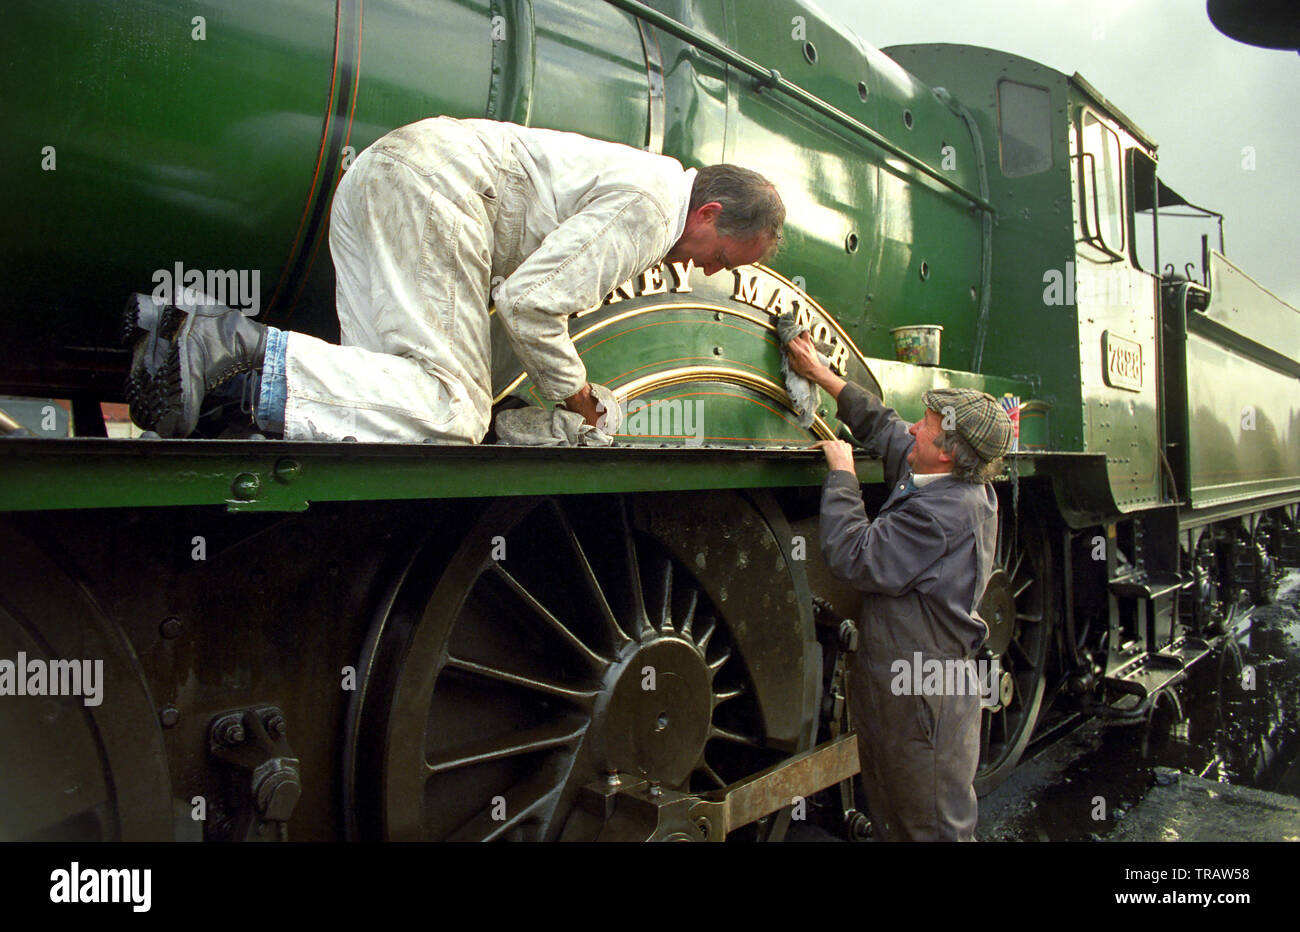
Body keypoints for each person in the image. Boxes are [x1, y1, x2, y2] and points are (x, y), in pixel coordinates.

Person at [125, 117, 784, 441]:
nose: (705, 270)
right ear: (709, 212)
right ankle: (235, 347)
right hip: (439, 193)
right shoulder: (651, 206)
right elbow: (528, 305)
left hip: (383, 175)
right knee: (453, 414)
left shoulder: (643, 180)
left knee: (392, 398)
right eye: (721, 257)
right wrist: (583, 404)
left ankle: (199, 356)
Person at [785, 331, 1014, 842]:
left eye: (926, 429)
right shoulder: (947, 480)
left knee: (931, 827)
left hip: (923, 697)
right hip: (904, 684)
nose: (913, 429)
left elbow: (855, 556)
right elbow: (887, 428)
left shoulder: (943, 513)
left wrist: (842, 475)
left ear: (949, 454)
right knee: (893, 817)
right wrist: (823, 375)